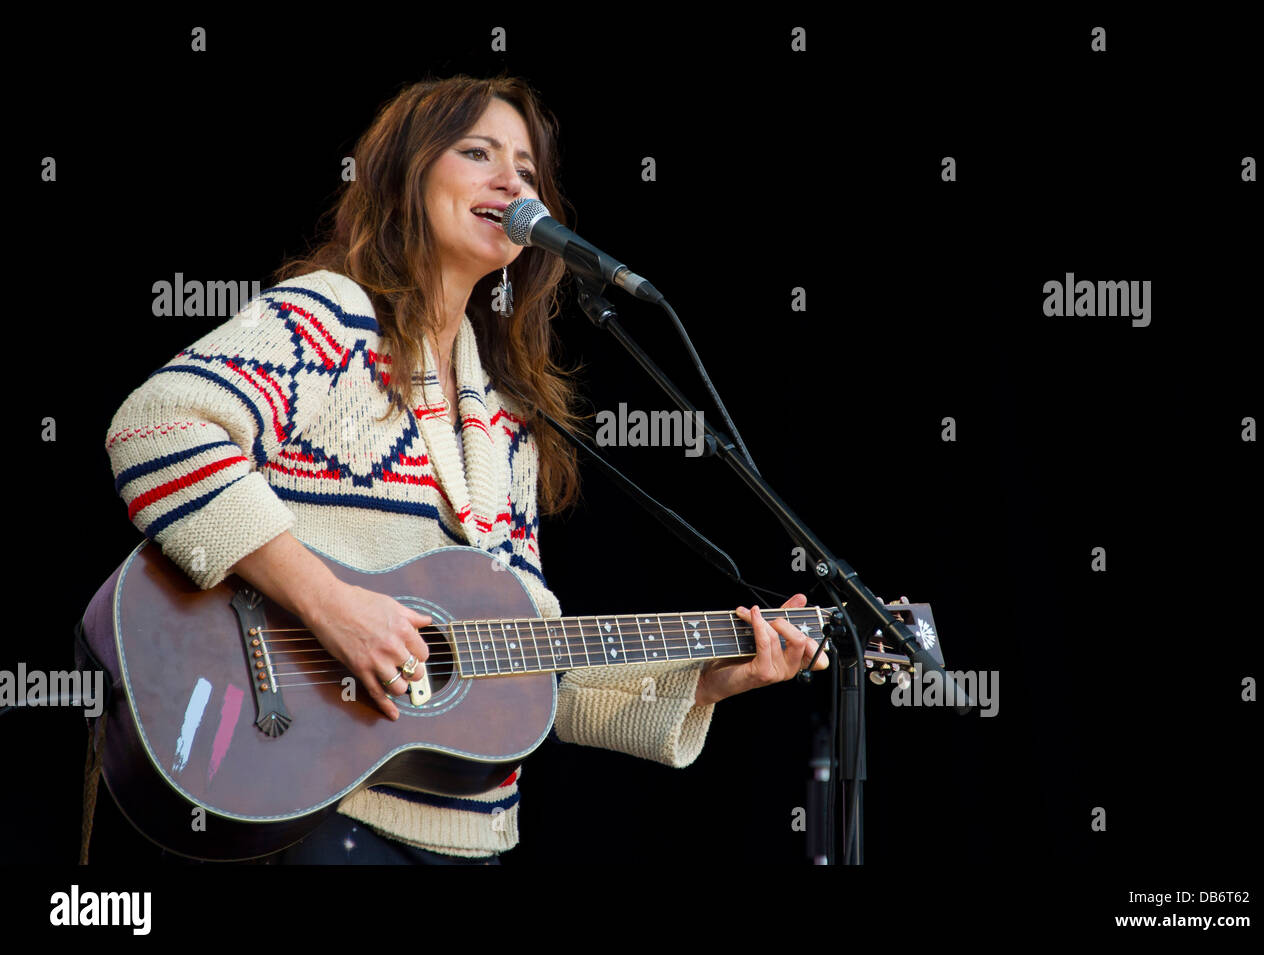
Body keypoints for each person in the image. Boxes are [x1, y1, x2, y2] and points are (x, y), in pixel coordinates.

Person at [102, 74, 827, 864]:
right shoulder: (329, 317)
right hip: (314, 802)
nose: (513, 181)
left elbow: (525, 659)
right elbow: (156, 426)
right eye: (478, 152)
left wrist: (708, 678)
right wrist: (335, 605)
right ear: (406, 176)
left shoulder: (506, 416)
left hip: (467, 838)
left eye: (526, 168)